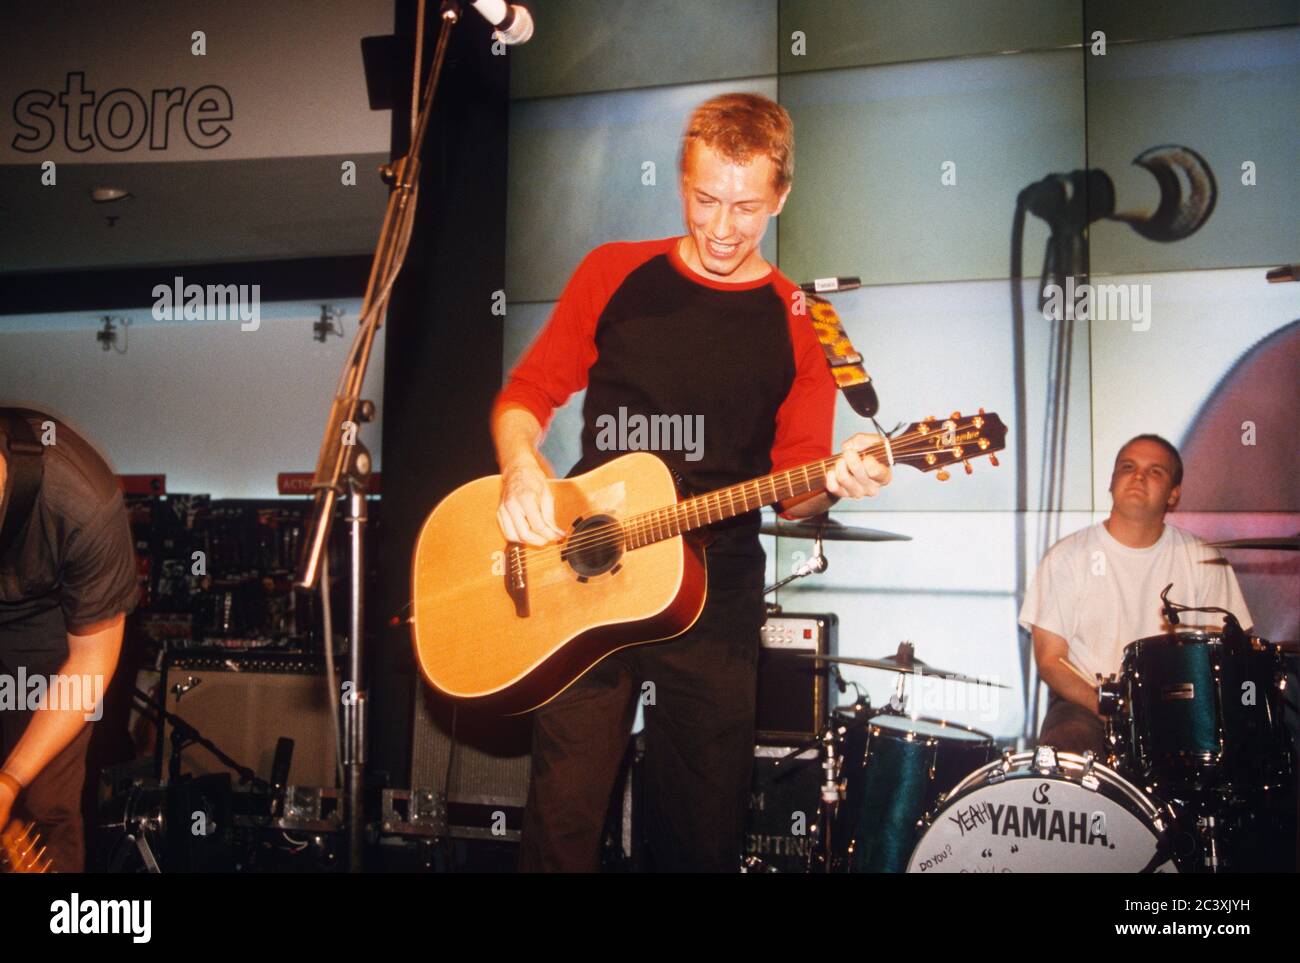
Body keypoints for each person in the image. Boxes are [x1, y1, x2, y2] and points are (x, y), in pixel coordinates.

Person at [491, 93, 891, 871]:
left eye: (746, 206)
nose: (720, 226)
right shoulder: (614, 271)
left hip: (715, 590)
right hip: (588, 562)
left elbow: (793, 490)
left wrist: (838, 479)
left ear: (781, 196)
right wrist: (518, 467)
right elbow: (525, 395)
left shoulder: (803, 322)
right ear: (682, 181)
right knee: (562, 822)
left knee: (701, 832)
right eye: (705, 199)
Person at [1019, 434, 1253, 756]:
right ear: (1112, 482)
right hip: (1088, 704)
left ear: (1174, 494)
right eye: (1127, 467)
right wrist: (1112, 707)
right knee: (1067, 743)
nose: (1138, 476)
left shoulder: (1203, 559)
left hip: (1181, 706)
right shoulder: (1067, 557)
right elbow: (1050, 660)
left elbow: (1231, 651)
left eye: (1155, 471)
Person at [0, 408, 137, 871]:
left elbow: (89, 665)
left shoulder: (82, 503)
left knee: (43, 802)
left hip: (44, 622)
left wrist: (9, 782)